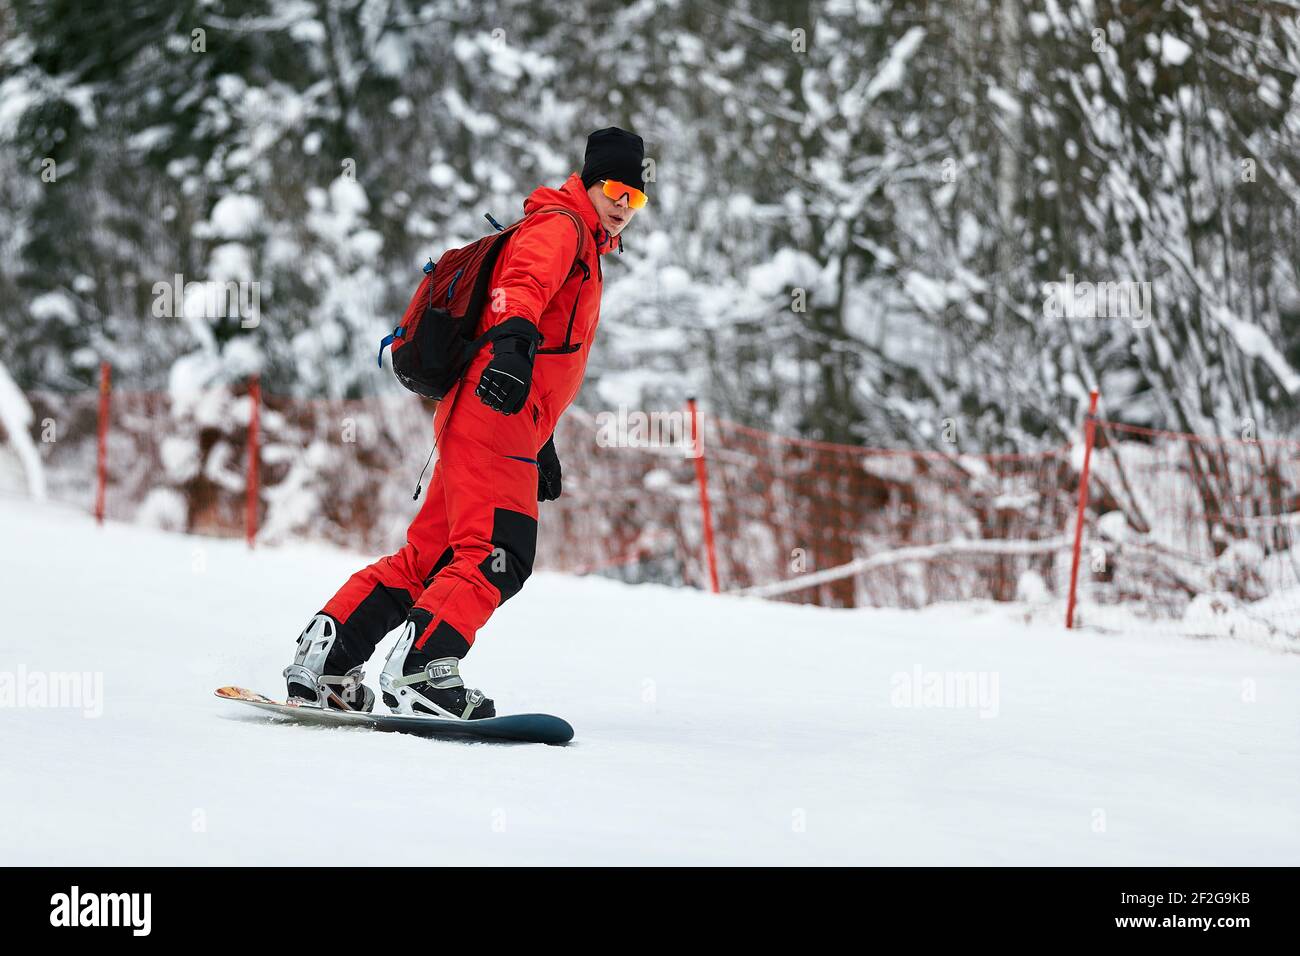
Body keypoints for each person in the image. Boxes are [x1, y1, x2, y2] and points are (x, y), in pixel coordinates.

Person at [282, 127, 648, 719]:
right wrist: (509, 347)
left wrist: (542, 439)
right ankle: (423, 670)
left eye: (636, 198)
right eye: (614, 189)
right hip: (493, 409)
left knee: (432, 554)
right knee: (500, 549)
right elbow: (520, 287)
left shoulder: (580, 239)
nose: (623, 206)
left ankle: (328, 655)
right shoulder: (562, 227)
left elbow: (548, 352)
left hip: (495, 415)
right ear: (589, 181)